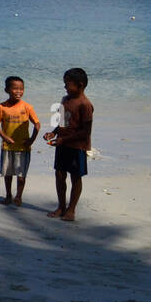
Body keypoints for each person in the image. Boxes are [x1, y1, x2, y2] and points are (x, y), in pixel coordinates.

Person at [42, 67, 93, 222]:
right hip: (62, 144)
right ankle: (61, 206)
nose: (65, 87)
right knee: (59, 174)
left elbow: (86, 131)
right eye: (64, 84)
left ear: (80, 85)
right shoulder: (65, 100)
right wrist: (54, 132)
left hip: (77, 146)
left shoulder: (85, 105)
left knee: (75, 178)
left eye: (68, 84)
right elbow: (62, 121)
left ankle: (71, 210)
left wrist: (64, 139)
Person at [0, 76, 39, 206]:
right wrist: (4, 137)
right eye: (15, 88)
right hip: (7, 147)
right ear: (7, 90)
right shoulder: (1, 107)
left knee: (21, 174)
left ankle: (18, 196)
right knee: (7, 173)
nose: (18, 91)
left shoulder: (27, 107)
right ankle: (8, 196)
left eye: (21, 89)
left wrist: (32, 140)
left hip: (23, 147)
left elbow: (37, 124)